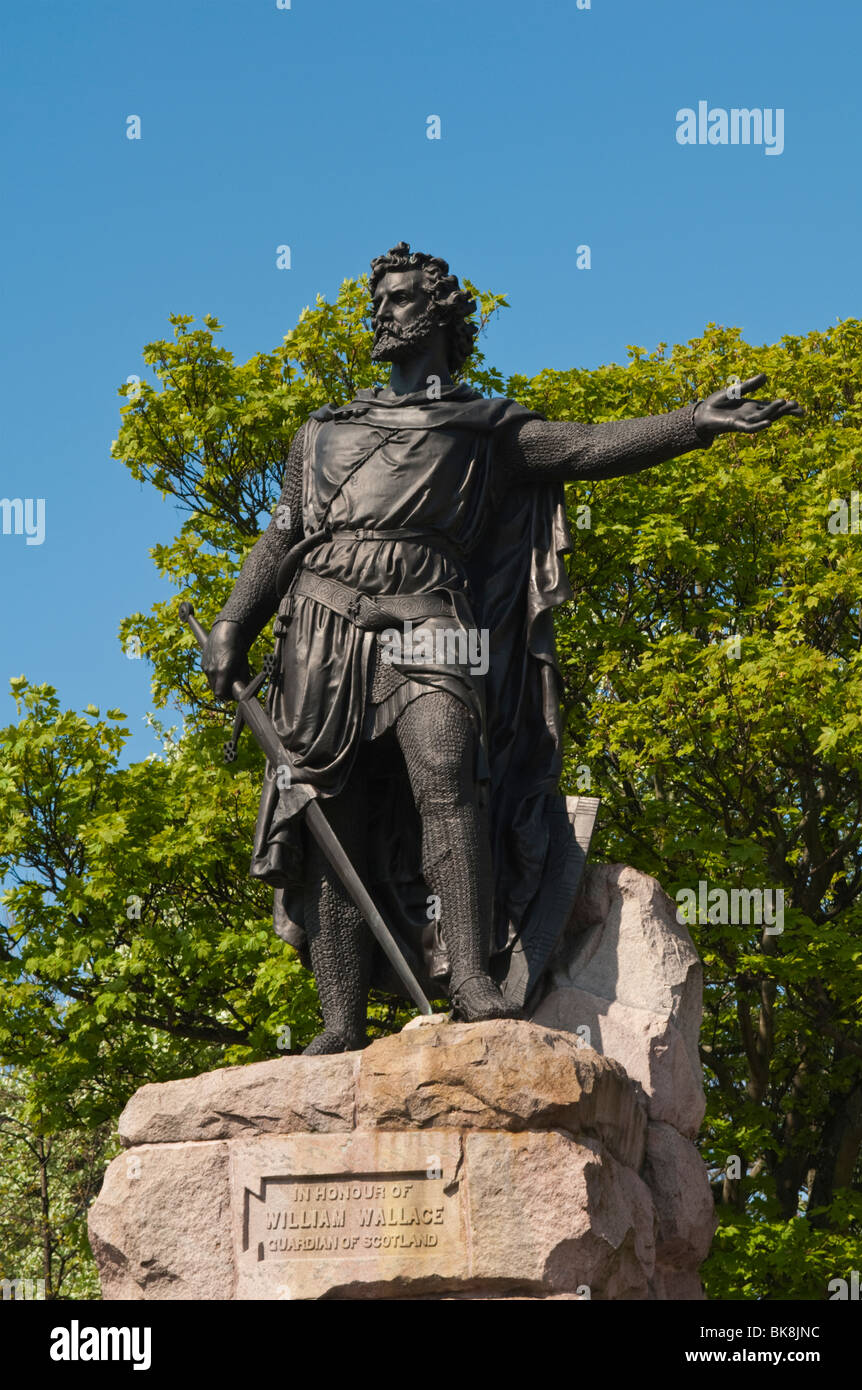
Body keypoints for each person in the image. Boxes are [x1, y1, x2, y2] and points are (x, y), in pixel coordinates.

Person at [202, 241, 801, 1054]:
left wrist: (692, 423)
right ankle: (339, 1023)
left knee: (449, 774)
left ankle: (475, 981)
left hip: (429, 615)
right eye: (378, 298)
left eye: (404, 298)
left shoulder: (485, 428)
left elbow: (587, 447)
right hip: (320, 626)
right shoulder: (322, 433)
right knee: (330, 825)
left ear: (442, 316)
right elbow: (282, 536)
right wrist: (237, 621)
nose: (384, 311)